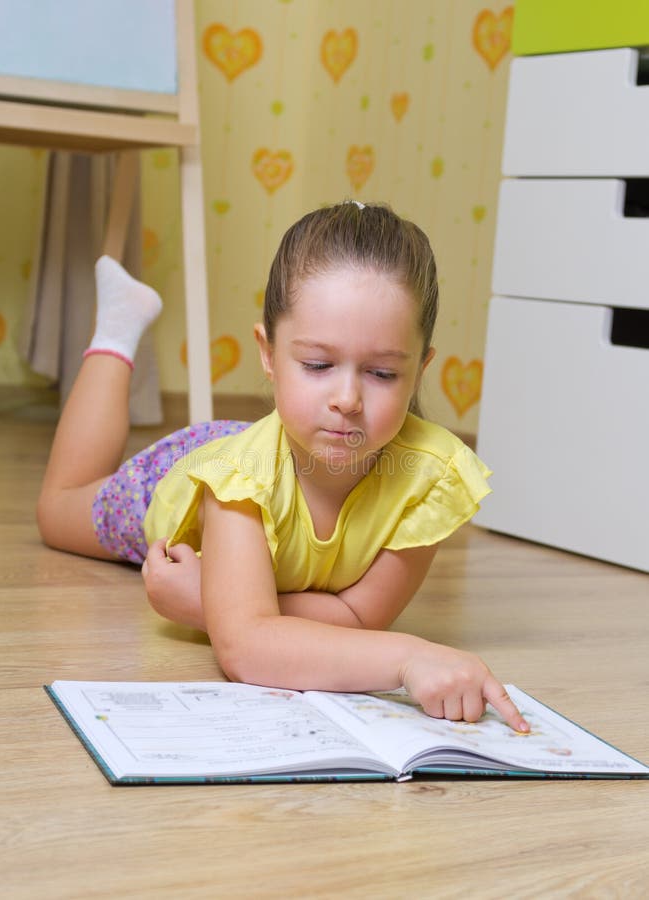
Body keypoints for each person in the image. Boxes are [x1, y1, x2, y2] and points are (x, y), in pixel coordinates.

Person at [37, 200, 529, 733]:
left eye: (383, 374)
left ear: (420, 370)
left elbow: (360, 619)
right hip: (190, 474)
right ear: (268, 354)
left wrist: (208, 603)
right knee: (57, 510)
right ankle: (116, 328)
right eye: (317, 365)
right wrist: (409, 656)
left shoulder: (428, 477)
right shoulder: (236, 481)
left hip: (271, 458)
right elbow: (247, 648)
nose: (347, 399)